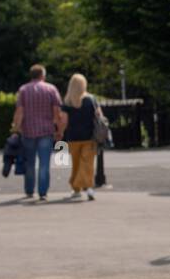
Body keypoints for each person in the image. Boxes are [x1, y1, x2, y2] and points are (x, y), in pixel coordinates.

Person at [10, 64, 65, 202]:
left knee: (29, 163)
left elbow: (19, 112)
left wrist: (16, 129)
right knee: (44, 163)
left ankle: (29, 191)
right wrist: (59, 130)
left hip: (28, 131)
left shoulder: (23, 90)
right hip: (46, 131)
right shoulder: (51, 89)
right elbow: (57, 112)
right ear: (42, 75)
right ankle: (42, 193)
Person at [60, 73, 102, 200]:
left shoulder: (67, 102)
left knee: (76, 164)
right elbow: (99, 116)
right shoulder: (91, 99)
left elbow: (64, 122)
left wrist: (60, 133)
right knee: (87, 164)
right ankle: (88, 188)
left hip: (73, 137)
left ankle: (76, 189)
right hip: (89, 137)